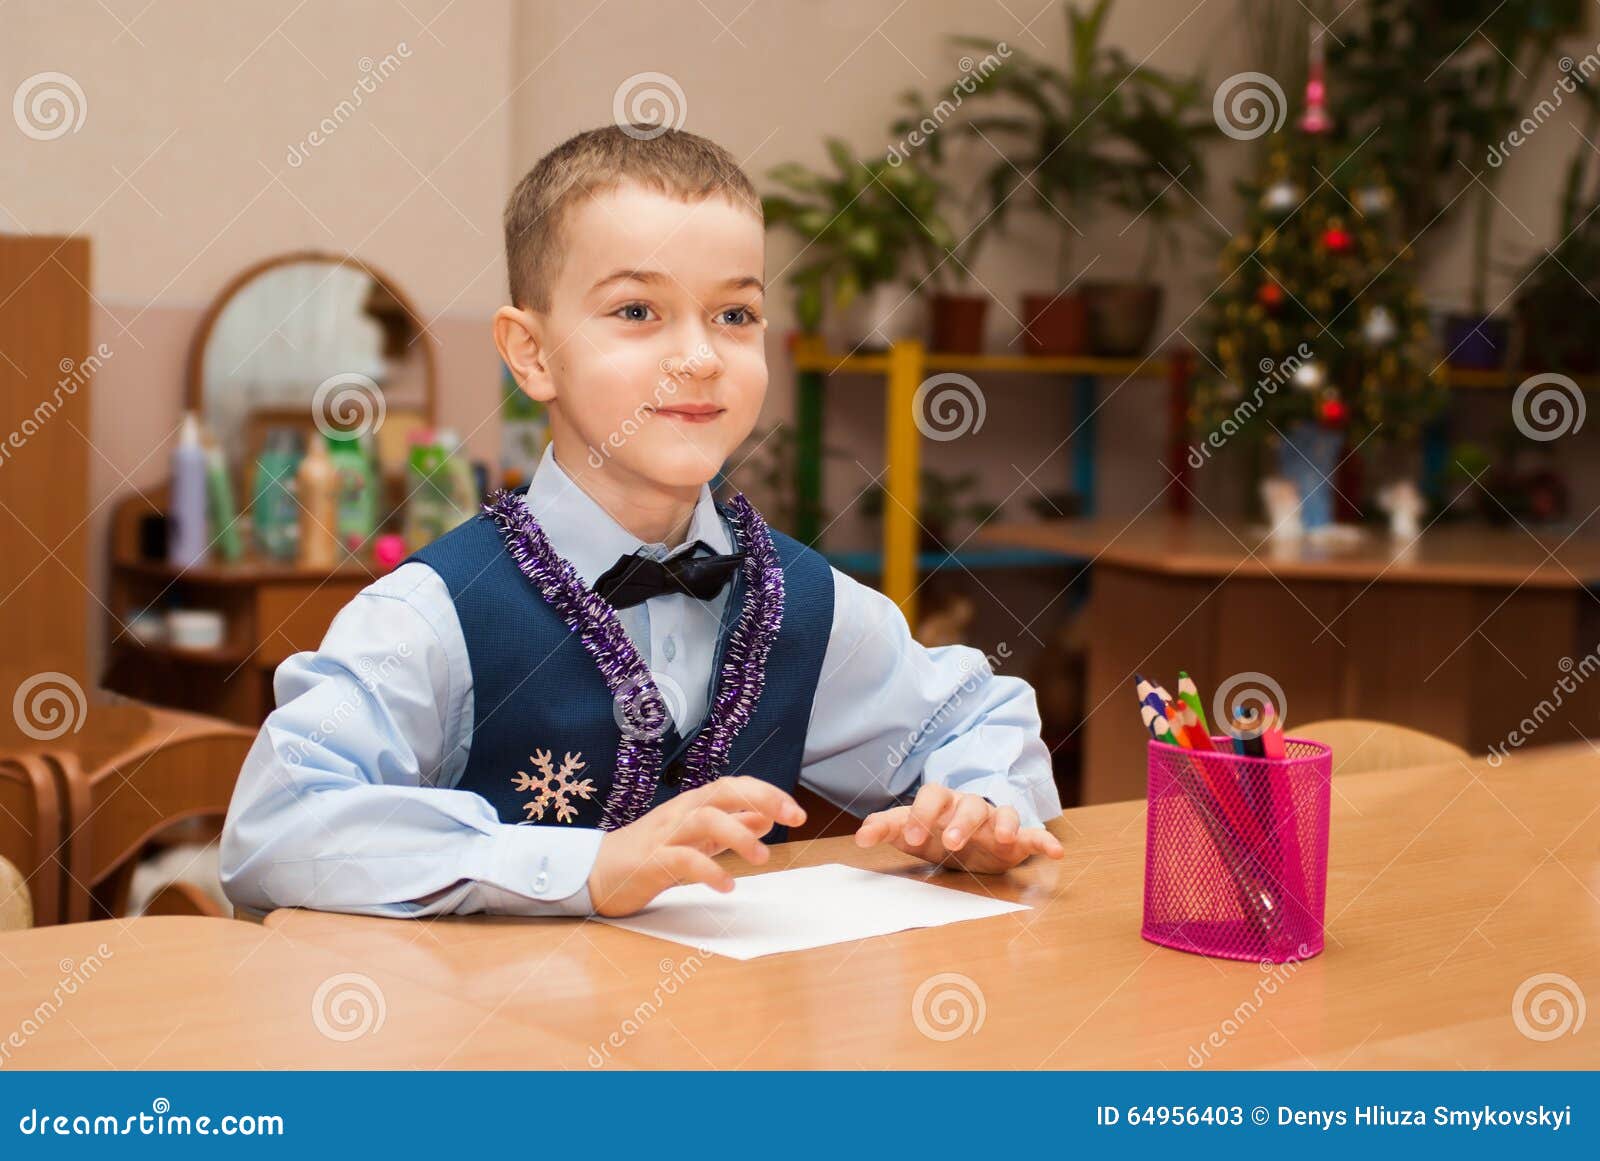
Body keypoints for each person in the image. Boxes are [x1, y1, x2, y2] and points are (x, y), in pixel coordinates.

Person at [220, 124, 1063, 920]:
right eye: (637, 312)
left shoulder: (806, 602)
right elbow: (277, 825)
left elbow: (979, 720)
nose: (699, 357)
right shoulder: (433, 615)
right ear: (531, 353)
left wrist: (980, 810)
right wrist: (584, 868)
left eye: (735, 315)